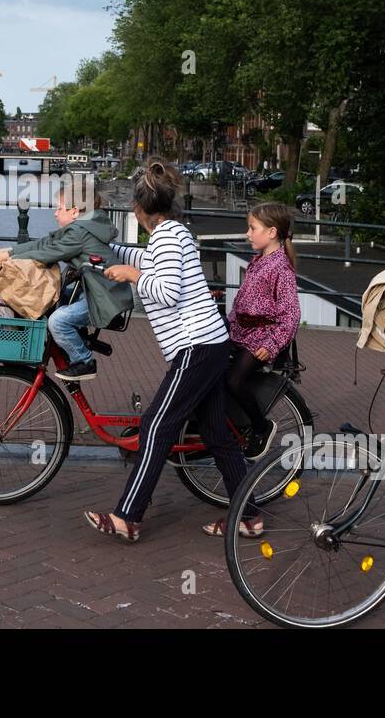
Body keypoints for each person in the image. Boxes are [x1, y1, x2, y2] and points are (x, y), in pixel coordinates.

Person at [82, 159, 262, 542]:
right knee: (217, 435)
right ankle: (249, 516)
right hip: (210, 343)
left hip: (195, 347)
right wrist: (109, 249)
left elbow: (165, 290)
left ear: (140, 209)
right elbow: (150, 260)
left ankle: (128, 516)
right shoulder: (174, 233)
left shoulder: (166, 236)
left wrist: (131, 276)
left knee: (155, 426)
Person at [0, 175, 133, 381]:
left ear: (74, 212)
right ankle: (66, 346)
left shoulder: (78, 233)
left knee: (57, 321)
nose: (55, 213)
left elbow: (46, 253)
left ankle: (84, 361)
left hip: (104, 298)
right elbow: (45, 243)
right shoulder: (82, 227)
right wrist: (7, 252)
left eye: (59, 208)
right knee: (51, 301)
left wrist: (7, 258)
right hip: (95, 290)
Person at [226, 201, 301, 460]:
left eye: (252, 228)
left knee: (234, 380)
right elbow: (244, 300)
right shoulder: (258, 260)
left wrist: (270, 345)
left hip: (260, 339)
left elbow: (291, 315)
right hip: (240, 332)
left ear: (271, 232)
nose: (248, 234)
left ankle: (260, 426)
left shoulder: (281, 268)